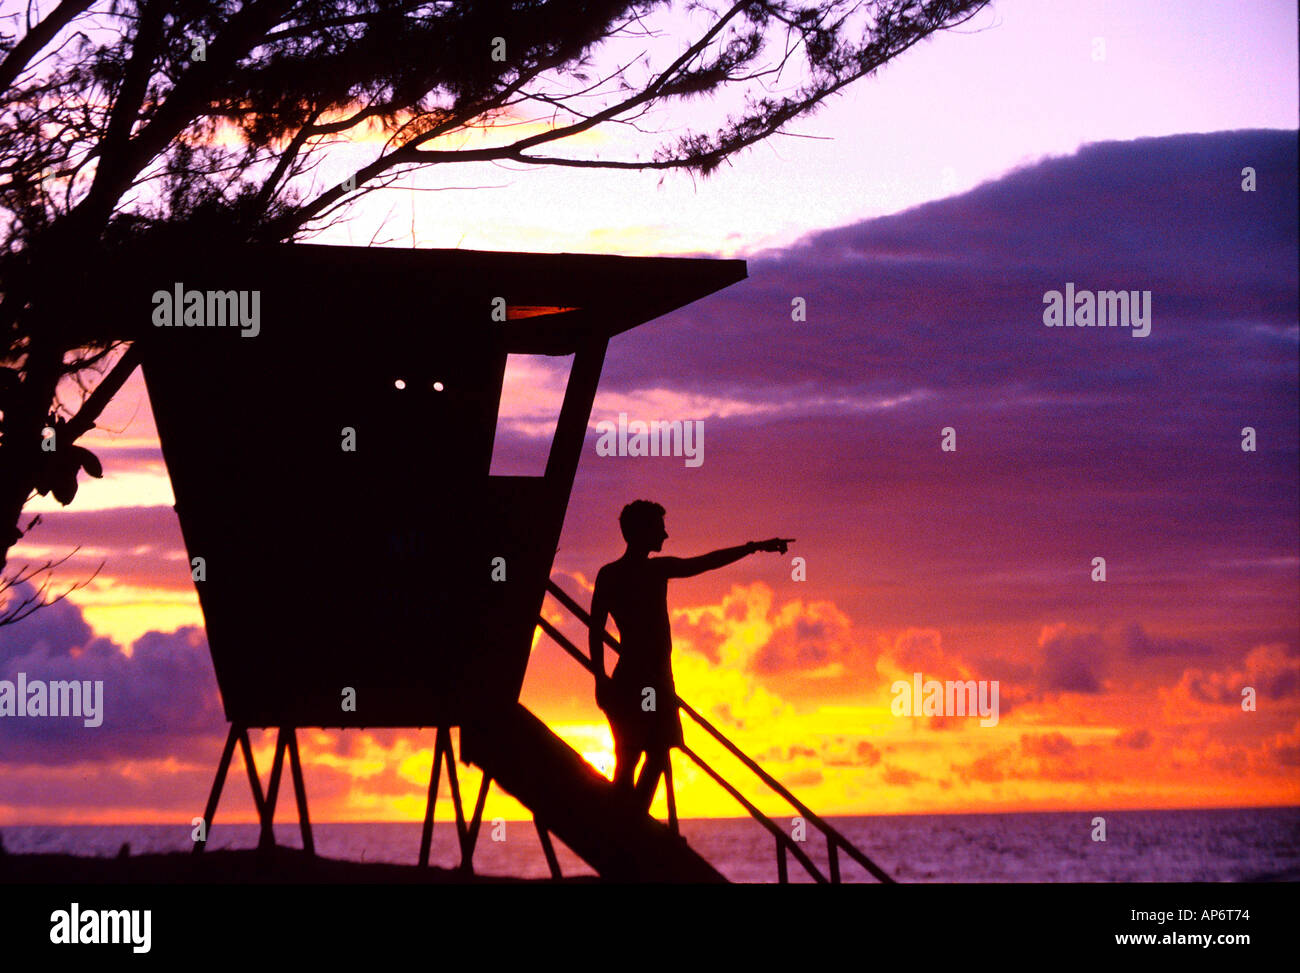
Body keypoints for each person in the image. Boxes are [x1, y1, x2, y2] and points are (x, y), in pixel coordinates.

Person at [589, 499, 792, 812]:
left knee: (643, 755)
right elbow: (595, 630)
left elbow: (594, 630)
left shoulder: (621, 573)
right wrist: (600, 679)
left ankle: (630, 817)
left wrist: (601, 678)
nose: (665, 535)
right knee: (639, 756)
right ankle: (628, 821)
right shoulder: (644, 571)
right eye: (659, 528)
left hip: (640, 678)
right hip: (643, 679)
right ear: (642, 531)